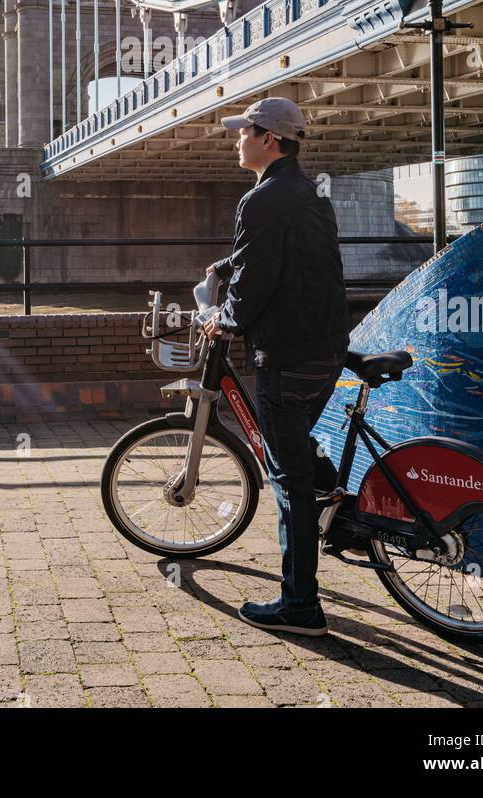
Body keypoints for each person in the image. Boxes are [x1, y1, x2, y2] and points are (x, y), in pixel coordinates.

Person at [203, 97, 349, 636]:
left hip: (286, 358)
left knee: (286, 478)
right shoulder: (311, 193)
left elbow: (258, 282)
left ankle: (301, 606)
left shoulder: (260, 199)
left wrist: (224, 318)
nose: (235, 140)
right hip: (328, 349)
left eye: (243, 132)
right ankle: (341, 513)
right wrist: (225, 265)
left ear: (268, 139)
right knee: (297, 446)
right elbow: (286, 255)